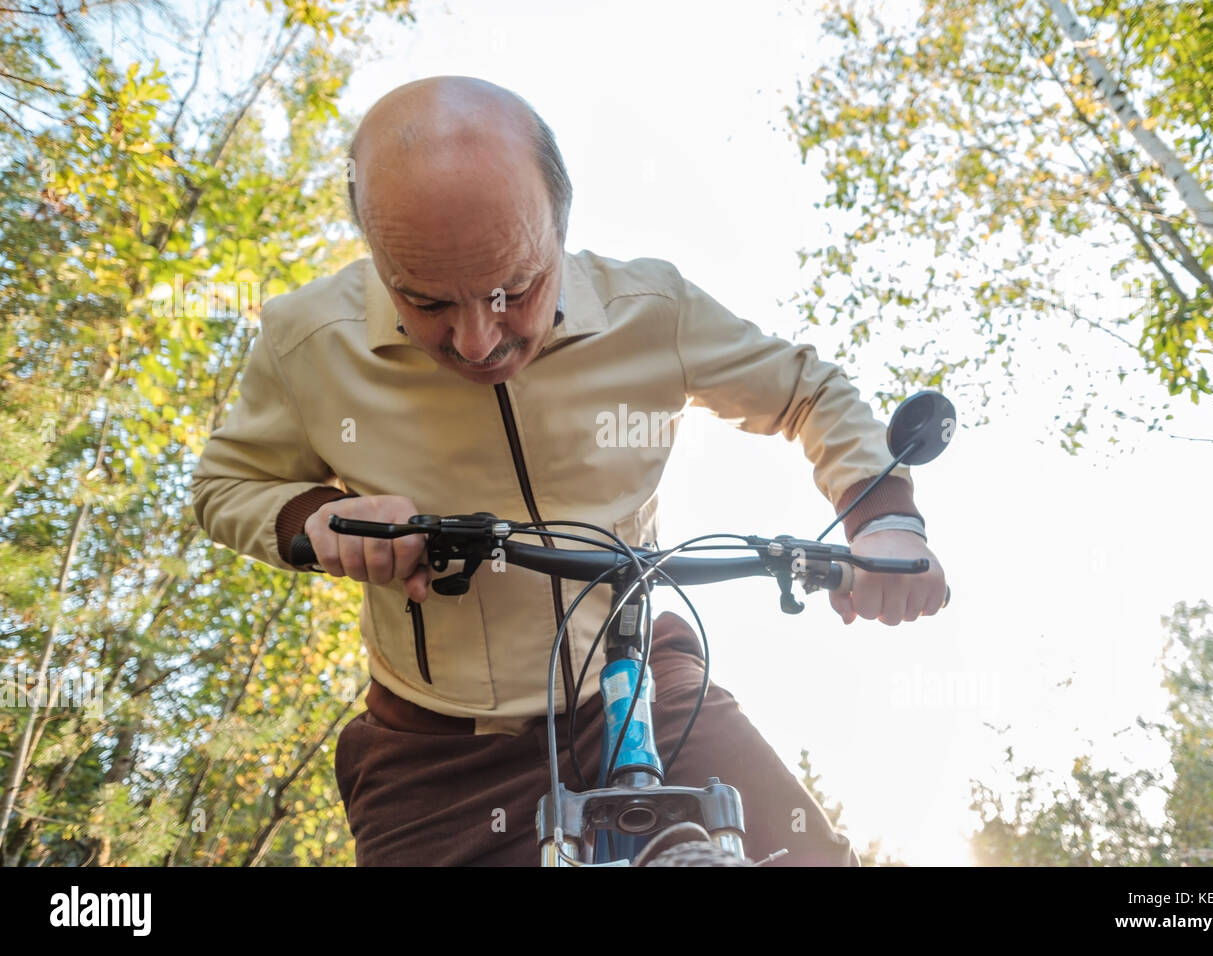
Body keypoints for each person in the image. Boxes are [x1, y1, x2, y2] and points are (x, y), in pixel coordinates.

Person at [189, 76, 947, 866]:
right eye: (426, 303)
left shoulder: (653, 309)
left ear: (560, 219)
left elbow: (807, 390)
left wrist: (884, 520)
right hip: (439, 752)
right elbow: (226, 487)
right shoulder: (307, 340)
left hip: (639, 693)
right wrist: (315, 522)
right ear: (375, 251)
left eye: (512, 290)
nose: (478, 341)